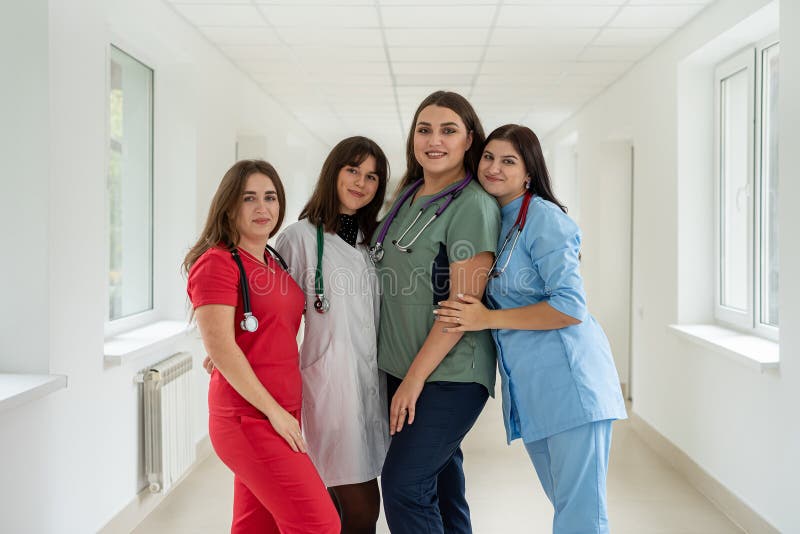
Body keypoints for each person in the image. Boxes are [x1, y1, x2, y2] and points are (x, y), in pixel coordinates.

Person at [435, 124, 628, 534]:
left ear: (528, 173)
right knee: (566, 506)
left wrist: (488, 318)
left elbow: (570, 306)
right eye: (488, 157)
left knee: (581, 515)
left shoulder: (542, 218)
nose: (494, 168)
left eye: (509, 161)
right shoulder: (496, 219)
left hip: (572, 384)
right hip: (538, 390)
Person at [184, 160, 340, 534]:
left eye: (270, 197)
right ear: (229, 206)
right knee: (319, 524)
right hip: (249, 417)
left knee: (257, 527)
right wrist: (274, 412)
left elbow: (253, 333)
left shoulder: (273, 261)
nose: (262, 208)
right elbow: (222, 347)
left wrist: (233, 348)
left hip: (281, 411)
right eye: (248, 198)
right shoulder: (216, 263)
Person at [370, 91, 501, 534]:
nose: (434, 140)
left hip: (451, 373)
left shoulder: (474, 206)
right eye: (424, 129)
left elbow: (461, 310)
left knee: (404, 485)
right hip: (403, 366)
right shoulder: (405, 196)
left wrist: (413, 379)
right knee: (443, 488)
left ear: (469, 141)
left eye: (448, 130)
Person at [274, 136, 390, 534]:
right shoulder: (299, 238)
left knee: (343, 508)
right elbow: (277, 318)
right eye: (352, 170)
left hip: (371, 384)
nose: (361, 182)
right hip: (330, 389)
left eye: (372, 176)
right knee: (361, 508)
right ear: (333, 172)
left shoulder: (371, 241)